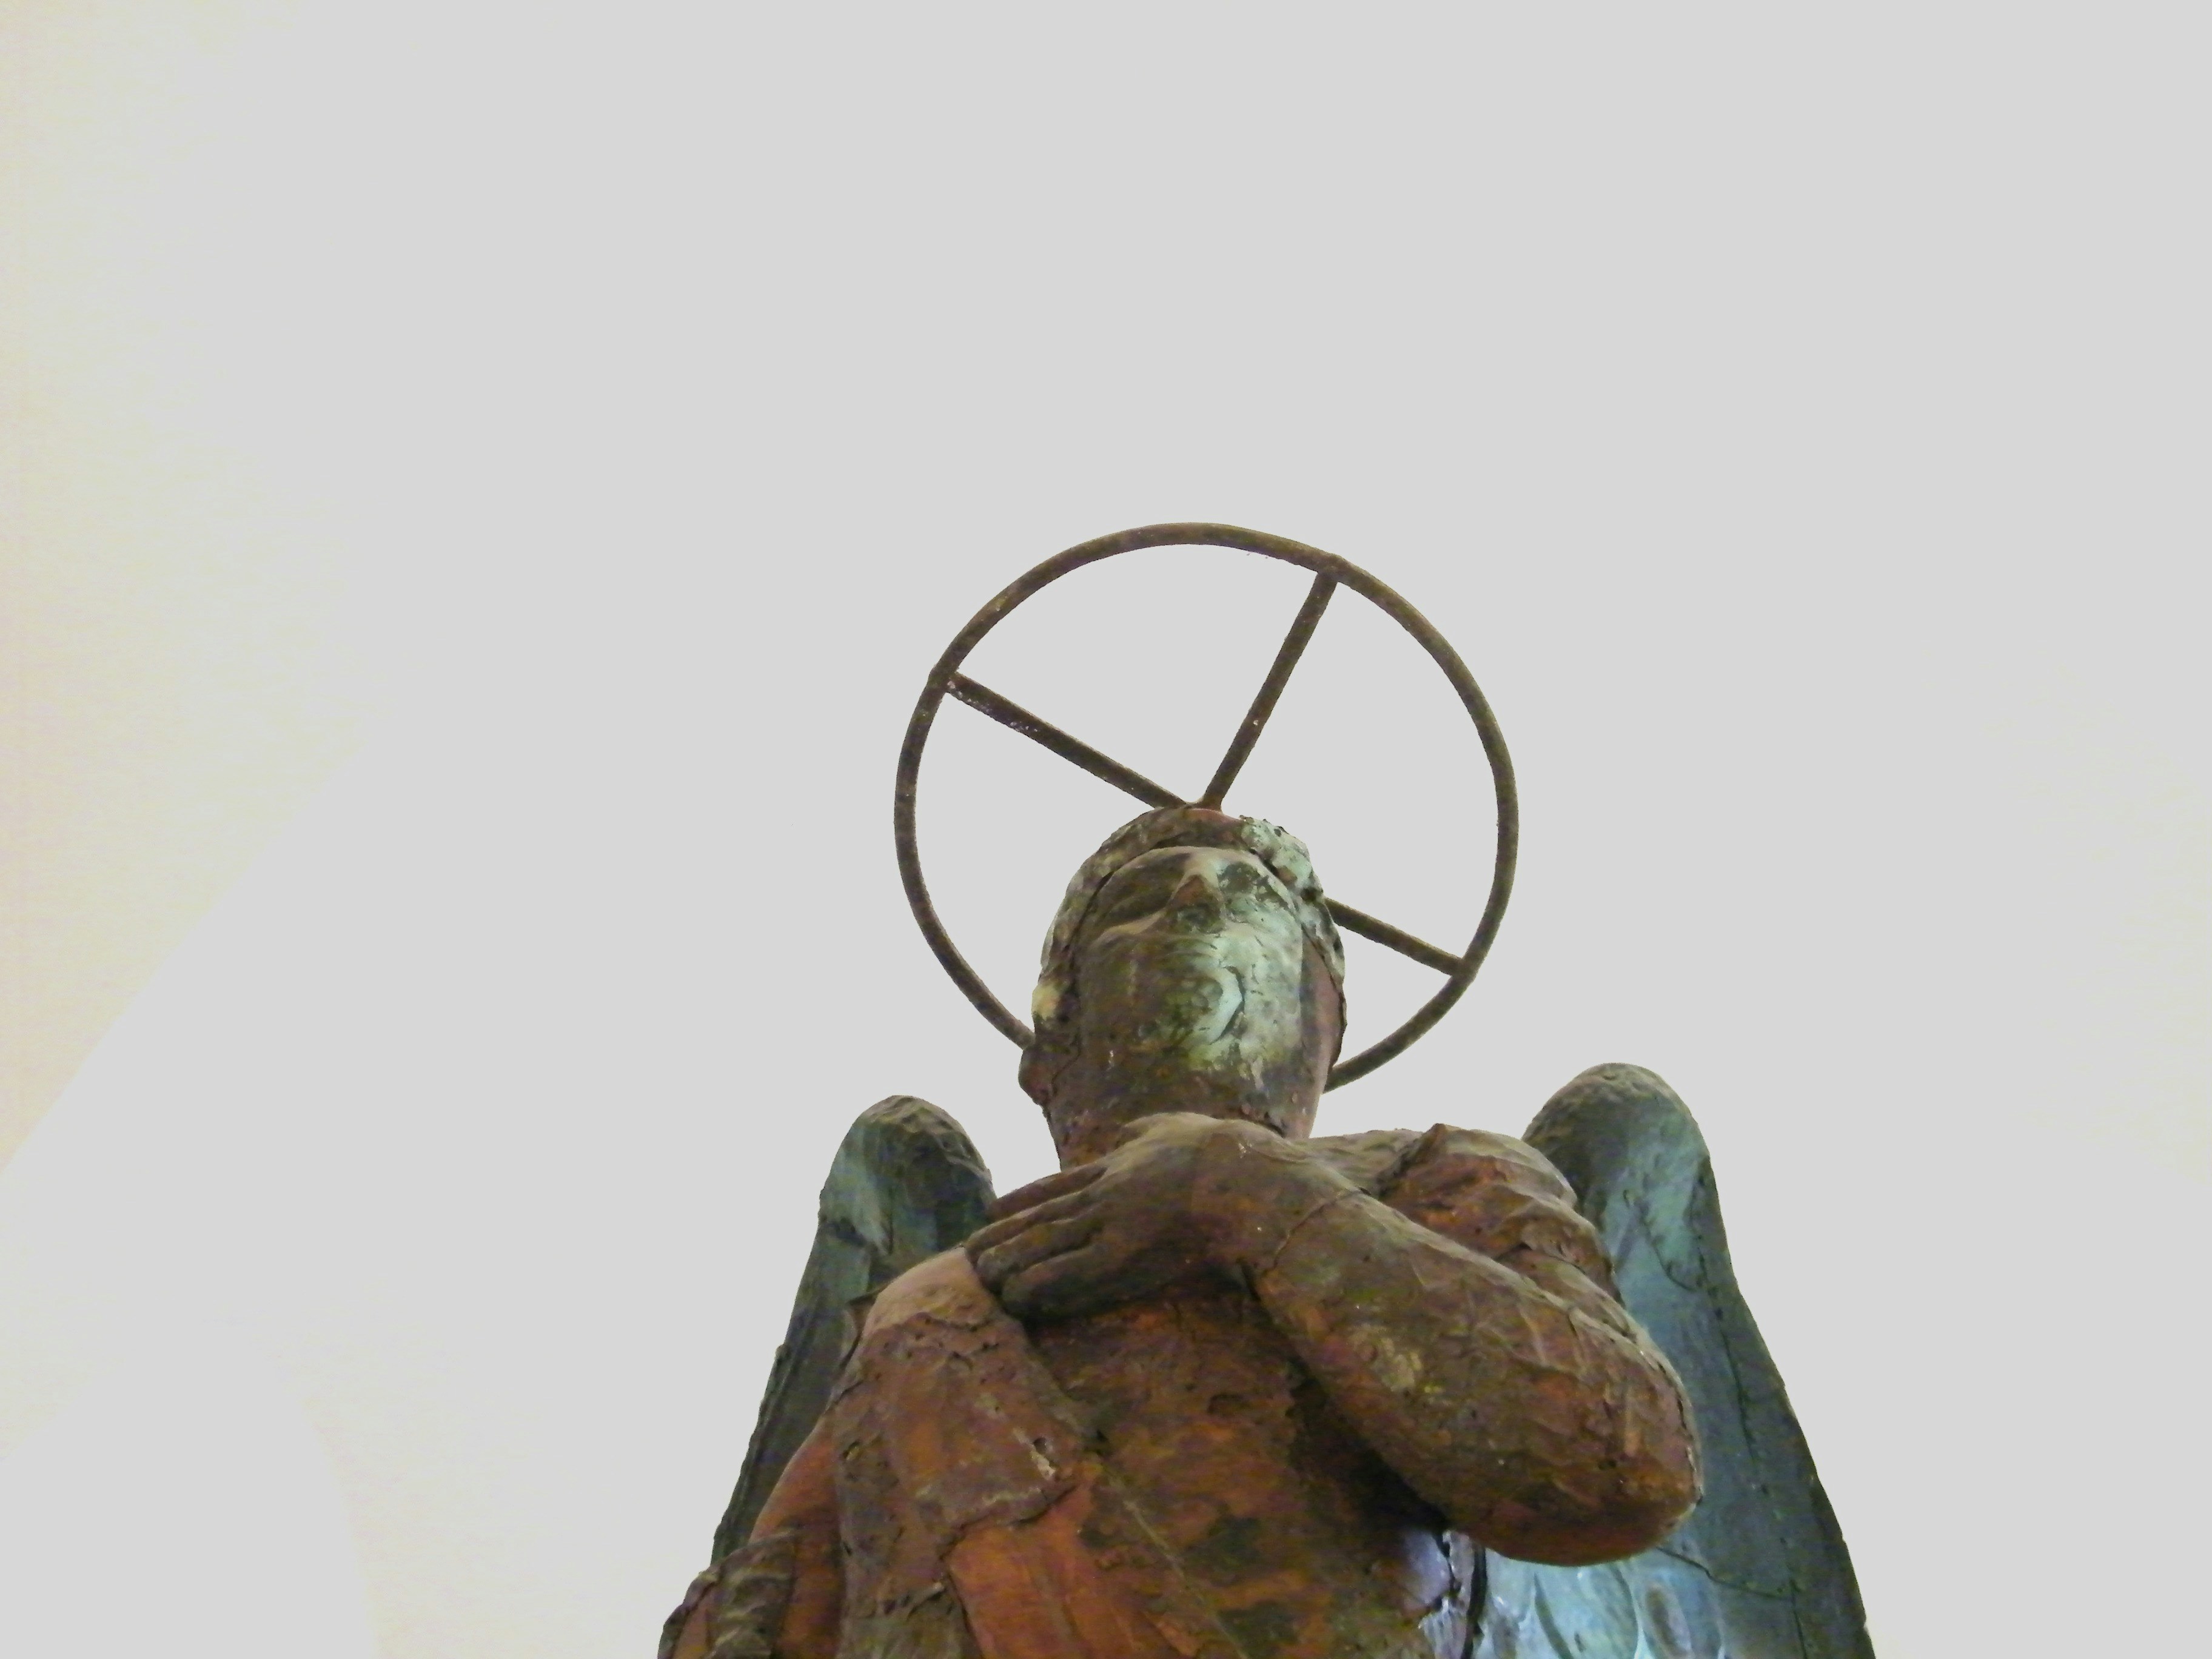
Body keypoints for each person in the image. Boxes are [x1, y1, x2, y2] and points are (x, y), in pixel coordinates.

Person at [667, 806, 1700, 1659]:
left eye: (1253, 899)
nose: (1202, 896)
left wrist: (1253, 1199)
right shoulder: (929, 1299)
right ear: (1048, 1044)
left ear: (1322, 1028)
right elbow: (782, 1598)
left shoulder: (1427, 1178)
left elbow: (1617, 1468)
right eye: (1142, 901)